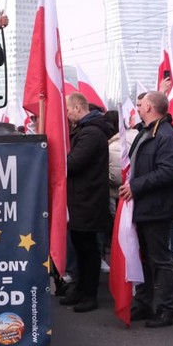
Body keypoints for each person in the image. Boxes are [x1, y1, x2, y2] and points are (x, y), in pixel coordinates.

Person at [121, 90, 173, 328]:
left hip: (157, 206)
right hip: (143, 205)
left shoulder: (166, 135)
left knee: (160, 259)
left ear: (149, 107)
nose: (138, 107)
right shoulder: (145, 132)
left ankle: (167, 309)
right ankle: (144, 303)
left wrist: (135, 186)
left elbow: (168, 171)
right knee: (143, 257)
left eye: (141, 104)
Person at [59, 92, 116, 313]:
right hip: (82, 198)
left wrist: (56, 159)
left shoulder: (91, 133)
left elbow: (73, 163)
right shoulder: (86, 130)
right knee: (82, 247)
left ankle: (89, 294)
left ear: (77, 108)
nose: (66, 114)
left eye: (67, 109)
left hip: (88, 199)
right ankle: (82, 289)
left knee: (88, 250)